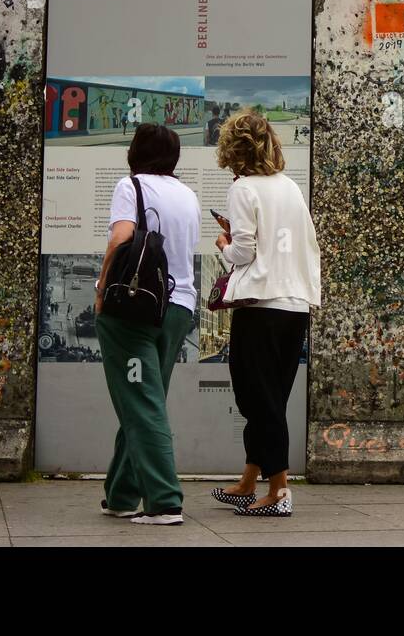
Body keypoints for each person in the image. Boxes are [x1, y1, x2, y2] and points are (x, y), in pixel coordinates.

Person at [209, 110, 320, 518]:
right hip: (294, 305)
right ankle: (249, 480)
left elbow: (243, 253)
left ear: (232, 149)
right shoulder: (289, 187)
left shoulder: (243, 189)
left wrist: (222, 242)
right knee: (269, 397)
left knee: (257, 399)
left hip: (260, 307)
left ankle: (279, 491)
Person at [93, 123, 200, 526]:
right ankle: (121, 495)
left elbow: (122, 237)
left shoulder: (131, 186)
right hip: (177, 310)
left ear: (135, 152)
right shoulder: (187, 194)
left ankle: (165, 502)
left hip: (134, 310)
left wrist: (103, 287)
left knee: (141, 403)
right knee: (143, 401)